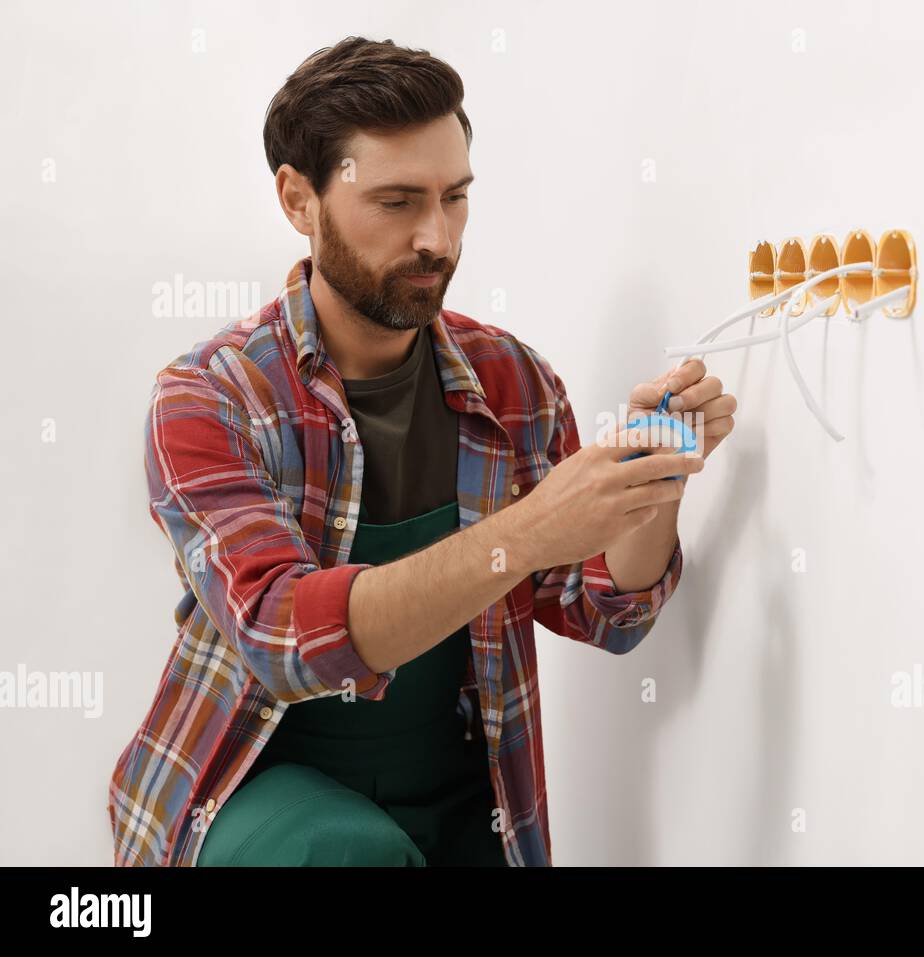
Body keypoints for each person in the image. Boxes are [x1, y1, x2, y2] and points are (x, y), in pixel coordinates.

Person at [107, 36, 737, 867]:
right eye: (397, 202)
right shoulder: (211, 398)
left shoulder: (512, 381)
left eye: (455, 197)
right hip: (256, 794)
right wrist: (529, 531)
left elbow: (602, 612)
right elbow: (285, 637)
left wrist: (650, 485)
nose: (437, 238)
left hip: (461, 800)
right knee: (346, 853)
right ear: (299, 199)